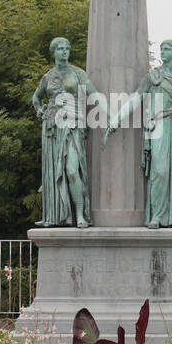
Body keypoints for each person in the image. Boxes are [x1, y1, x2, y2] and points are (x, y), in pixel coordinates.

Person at [103, 39, 172, 228]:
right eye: (161, 49)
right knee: (160, 171)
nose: (163, 52)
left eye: (167, 49)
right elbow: (136, 98)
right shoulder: (153, 76)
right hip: (161, 125)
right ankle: (157, 216)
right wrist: (117, 118)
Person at [32, 36, 99, 228]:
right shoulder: (47, 77)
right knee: (55, 172)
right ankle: (59, 216)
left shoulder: (77, 73)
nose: (64, 51)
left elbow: (93, 93)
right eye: (60, 48)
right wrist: (39, 109)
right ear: (53, 52)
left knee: (71, 170)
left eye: (67, 48)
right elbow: (36, 98)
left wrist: (108, 113)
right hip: (52, 128)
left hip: (73, 124)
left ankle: (80, 214)